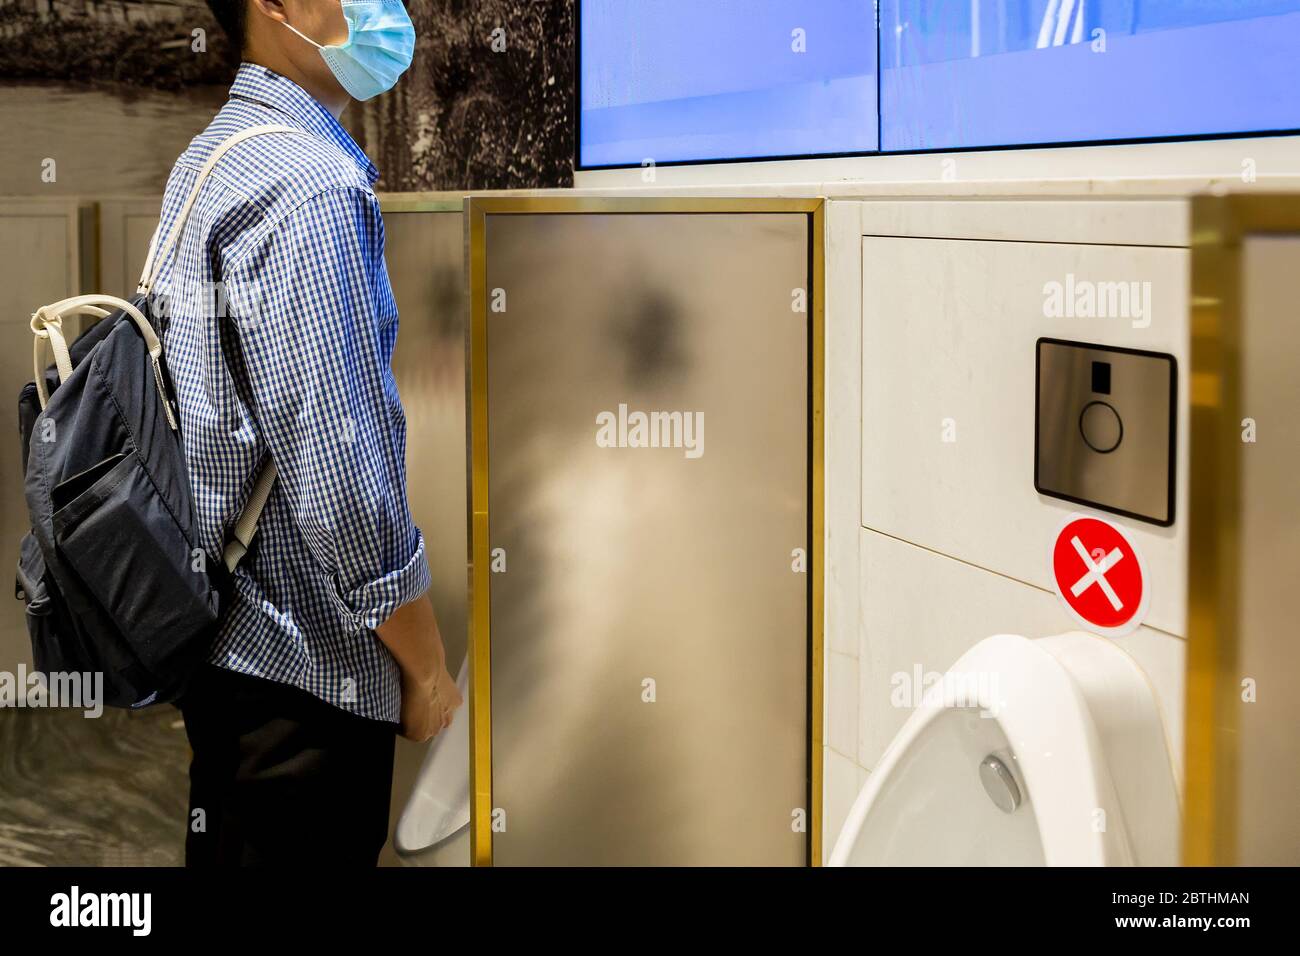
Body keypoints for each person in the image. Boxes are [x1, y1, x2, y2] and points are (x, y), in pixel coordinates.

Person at [158, 0, 461, 866]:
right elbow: (340, 474)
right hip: (305, 674)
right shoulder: (307, 185)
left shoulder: (215, 154)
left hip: (226, 645)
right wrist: (426, 664)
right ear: (274, 9)